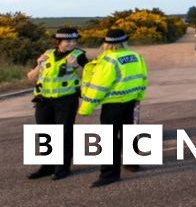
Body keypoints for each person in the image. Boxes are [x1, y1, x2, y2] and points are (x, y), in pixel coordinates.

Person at [78, 29, 148, 187]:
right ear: (124, 42)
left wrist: (86, 108)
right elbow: (143, 78)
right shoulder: (136, 56)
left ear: (107, 43)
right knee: (128, 132)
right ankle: (132, 163)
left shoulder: (108, 60)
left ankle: (109, 174)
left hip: (113, 104)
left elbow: (99, 86)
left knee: (109, 138)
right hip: (130, 100)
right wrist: (139, 97)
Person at [26, 27, 88, 180]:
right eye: (68, 41)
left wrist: (76, 67)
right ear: (58, 42)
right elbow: (31, 78)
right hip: (44, 101)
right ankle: (47, 167)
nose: (71, 44)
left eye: (74, 41)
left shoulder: (79, 55)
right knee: (46, 134)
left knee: (64, 133)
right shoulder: (47, 54)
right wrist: (39, 65)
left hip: (66, 100)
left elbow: (88, 78)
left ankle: (62, 167)